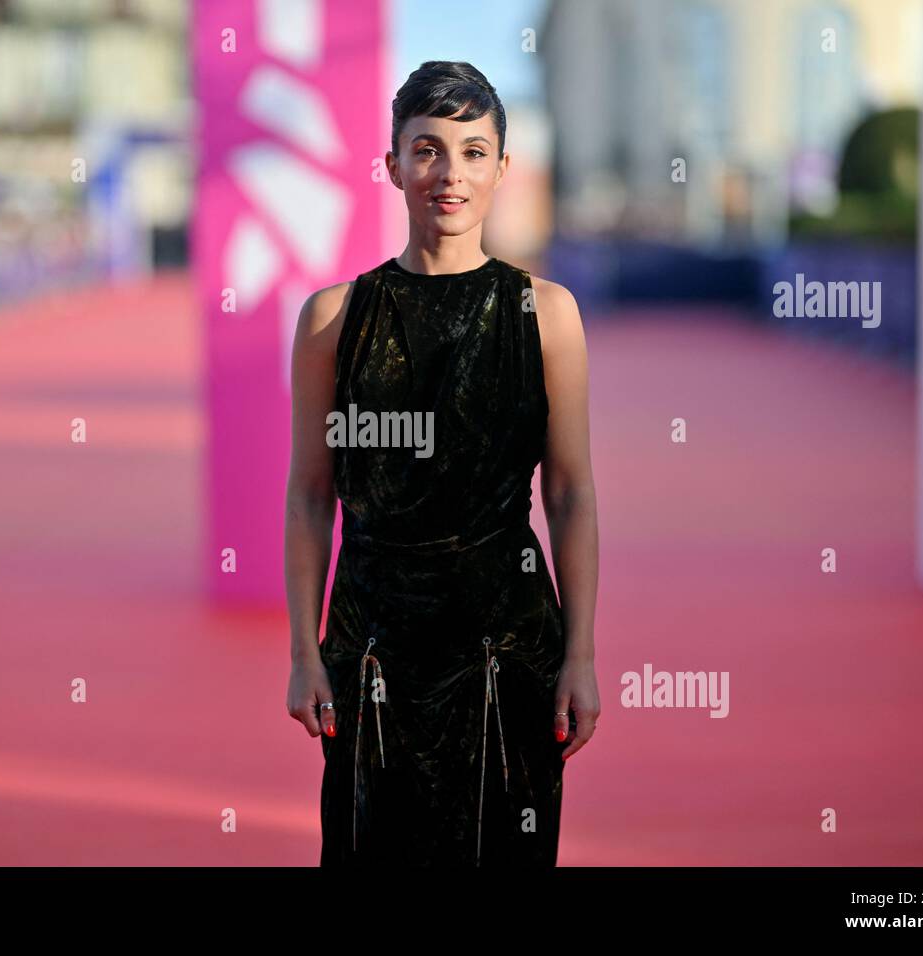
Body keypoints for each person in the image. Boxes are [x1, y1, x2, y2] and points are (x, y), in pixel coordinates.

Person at [284, 61, 600, 866]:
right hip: (374, 646)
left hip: (507, 646)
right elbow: (311, 495)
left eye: (471, 150)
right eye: (426, 149)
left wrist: (582, 656)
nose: (448, 172)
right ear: (392, 165)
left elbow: (568, 494)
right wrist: (302, 653)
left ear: (502, 165)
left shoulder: (547, 314)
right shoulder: (333, 318)